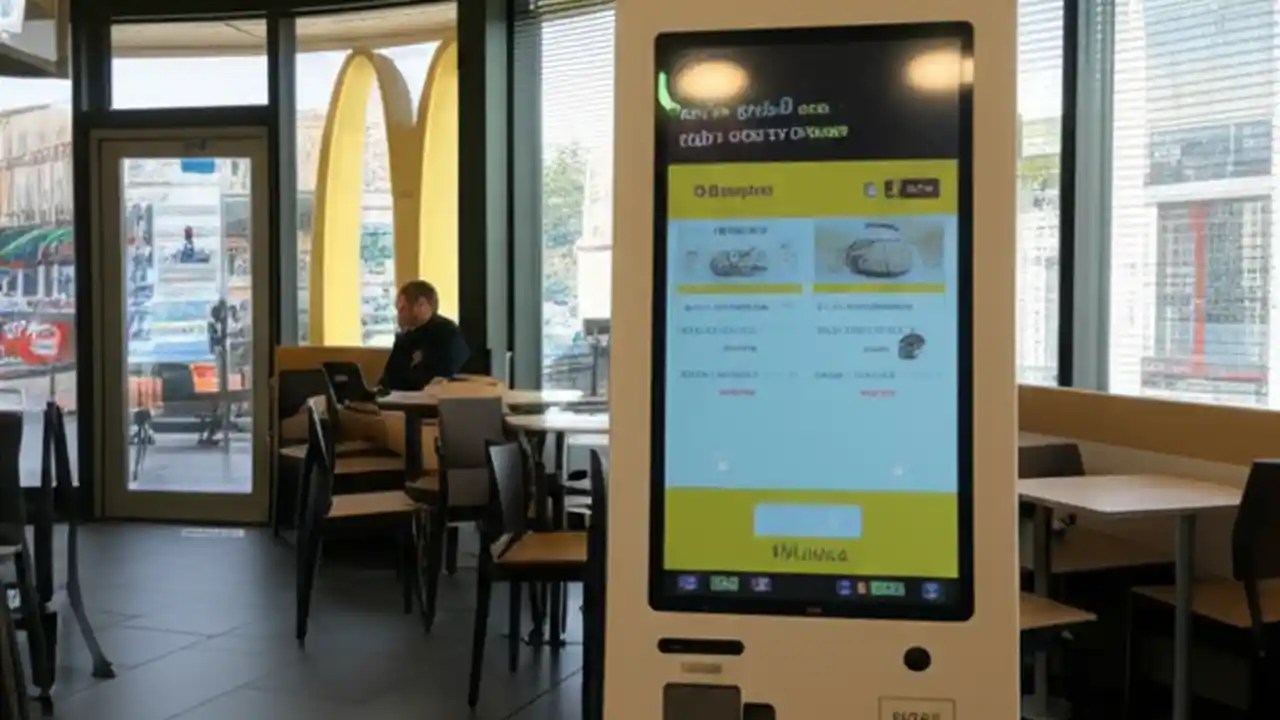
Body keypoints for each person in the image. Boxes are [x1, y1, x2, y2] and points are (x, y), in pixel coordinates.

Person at [378, 280, 469, 391]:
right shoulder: (406, 337)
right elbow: (389, 378)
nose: (399, 315)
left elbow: (438, 377)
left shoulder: (447, 334)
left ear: (421, 304)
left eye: (402, 309)